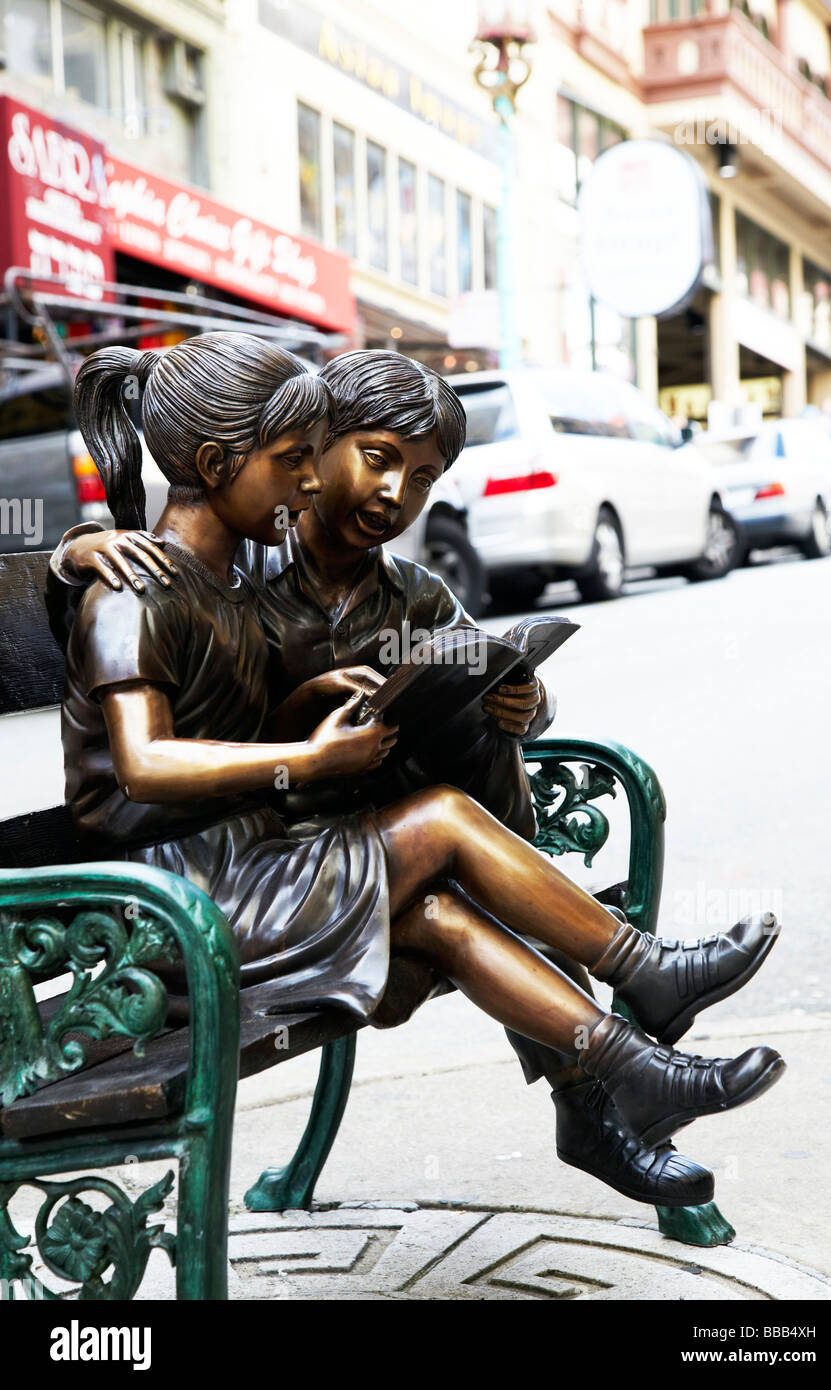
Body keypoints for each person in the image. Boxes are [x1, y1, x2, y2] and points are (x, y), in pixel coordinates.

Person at [54, 345, 785, 1208]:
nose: (389, 492)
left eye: (424, 476)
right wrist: (82, 547)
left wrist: (506, 700)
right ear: (310, 450)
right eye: (321, 460)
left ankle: (627, 1068)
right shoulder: (234, 570)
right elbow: (148, 745)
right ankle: (638, 985)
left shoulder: (395, 591)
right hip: (216, 883)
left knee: (451, 870)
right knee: (444, 831)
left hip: (288, 857)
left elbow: (239, 710)